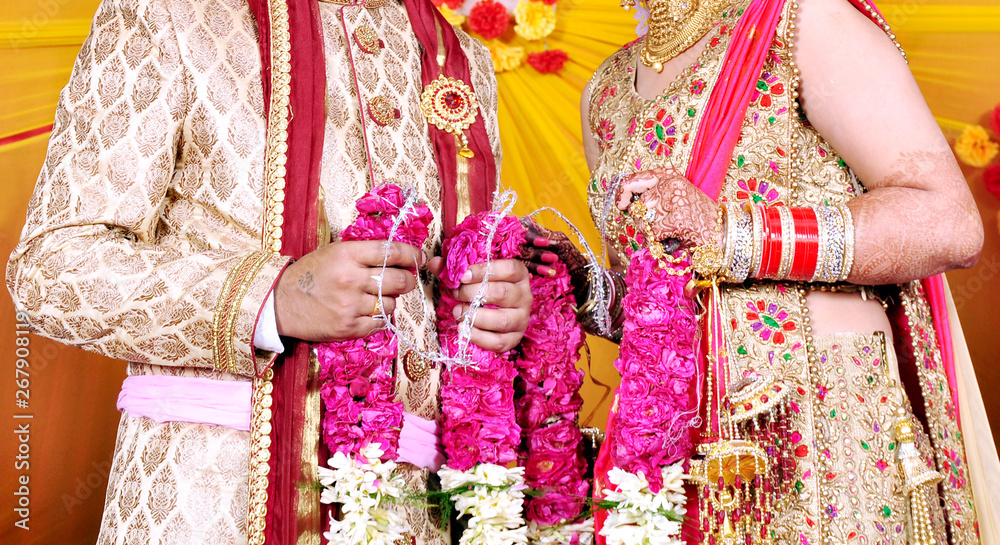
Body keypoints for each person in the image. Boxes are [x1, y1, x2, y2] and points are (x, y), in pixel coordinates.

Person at [4, 0, 533, 543]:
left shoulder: (461, 58)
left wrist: (503, 305)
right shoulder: (170, 13)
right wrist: (275, 297)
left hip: (419, 510)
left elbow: (452, 290)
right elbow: (51, 268)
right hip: (212, 499)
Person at [524, 0, 1000, 541]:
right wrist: (576, 284)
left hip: (821, 433)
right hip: (678, 450)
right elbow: (655, 302)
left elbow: (948, 222)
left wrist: (730, 232)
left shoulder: (803, 21)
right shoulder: (605, 91)